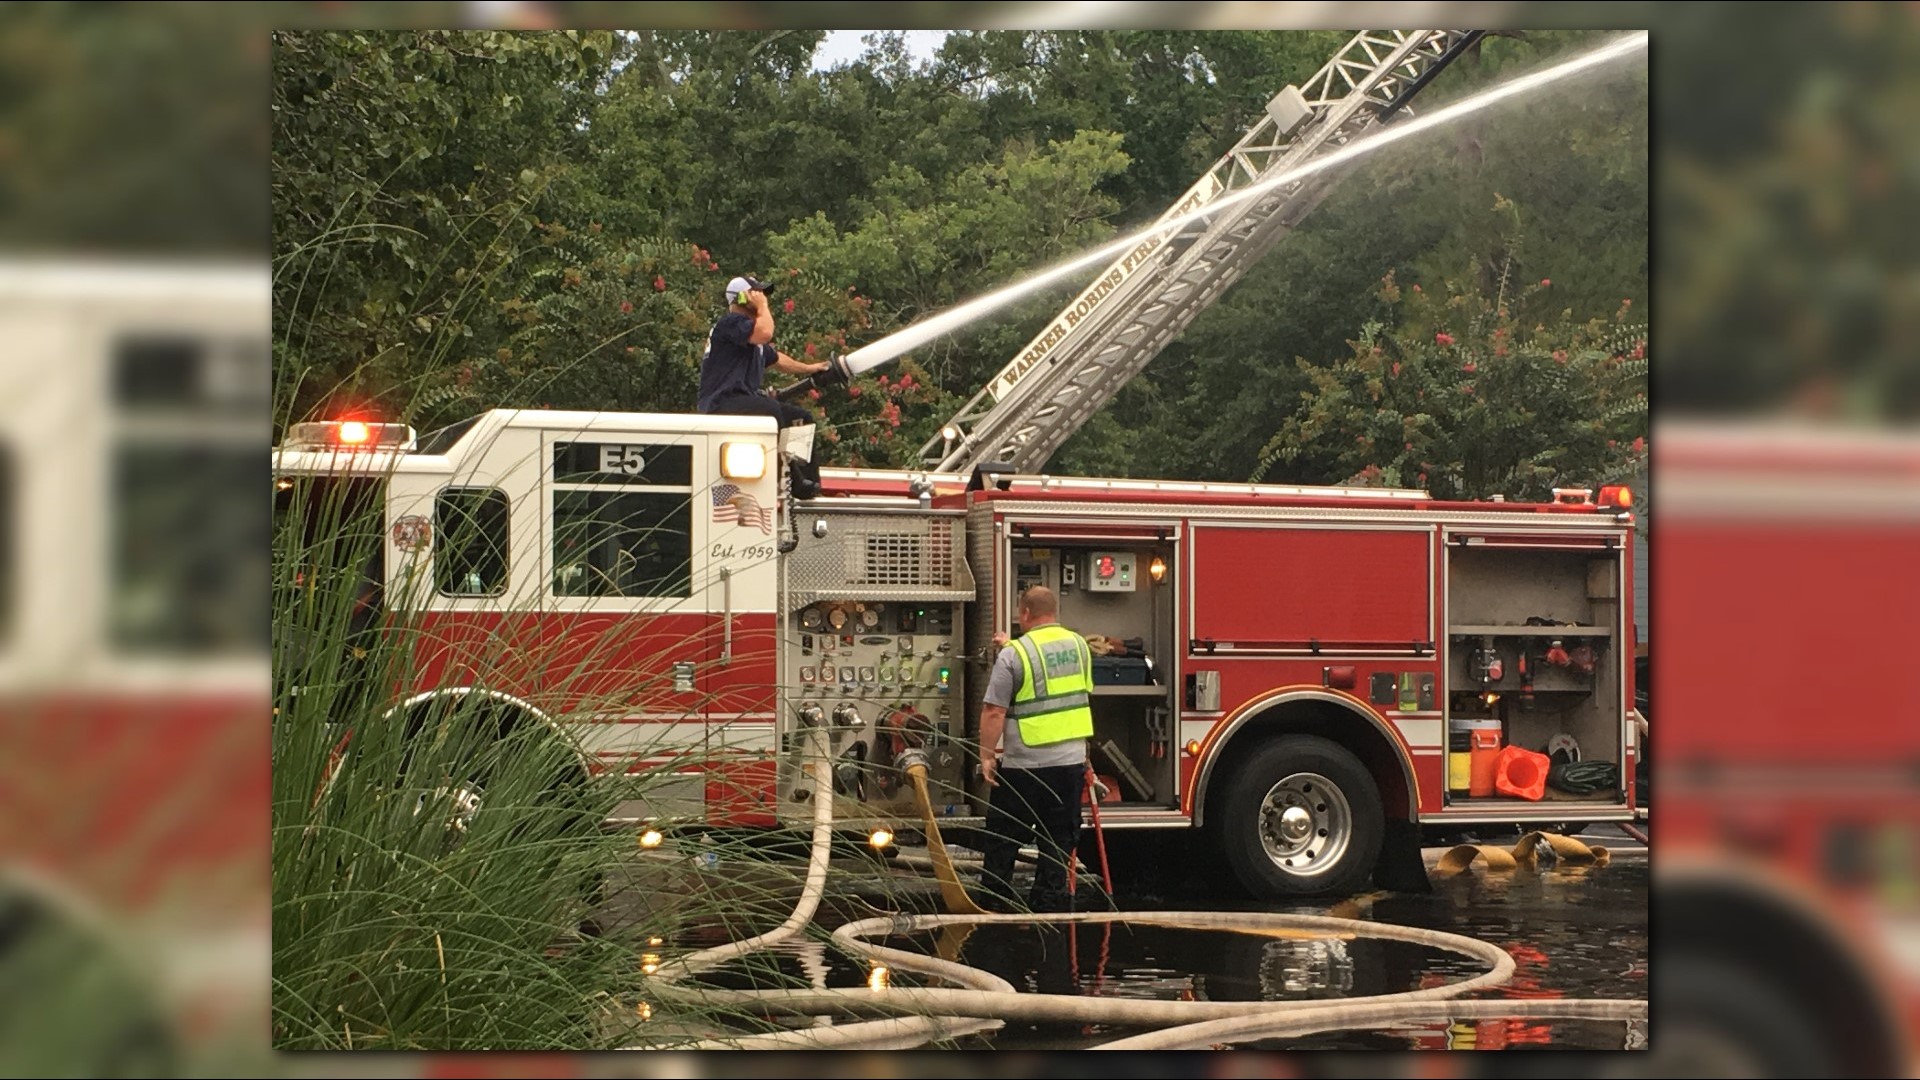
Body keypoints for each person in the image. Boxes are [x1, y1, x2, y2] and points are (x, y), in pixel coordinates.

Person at [977, 585, 1095, 912]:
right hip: (1070, 765)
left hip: (1023, 766)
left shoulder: (1015, 655)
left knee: (1003, 841)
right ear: (1054, 612)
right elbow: (1070, 697)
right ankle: (1050, 912)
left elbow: (994, 711)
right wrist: (1086, 760)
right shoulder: (1079, 646)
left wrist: (986, 756)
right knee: (1058, 843)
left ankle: (995, 909)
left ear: (1025, 613)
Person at [697, 275, 829, 425]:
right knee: (769, 411)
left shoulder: (748, 335)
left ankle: (787, 449)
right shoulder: (730, 323)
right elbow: (765, 333)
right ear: (742, 298)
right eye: (757, 294)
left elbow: (777, 359)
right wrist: (762, 307)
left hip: (740, 400)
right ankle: (770, 449)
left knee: (800, 418)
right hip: (721, 402)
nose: (763, 298)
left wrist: (809, 368)